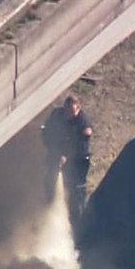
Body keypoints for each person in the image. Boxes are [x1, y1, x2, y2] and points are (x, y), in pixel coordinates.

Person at [41, 94, 93, 228]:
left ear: (78, 109)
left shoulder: (83, 123)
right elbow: (47, 132)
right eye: (67, 110)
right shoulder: (56, 115)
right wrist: (54, 150)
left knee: (76, 192)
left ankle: (76, 224)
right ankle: (48, 213)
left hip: (78, 161)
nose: (68, 114)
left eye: (72, 111)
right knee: (50, 184)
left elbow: (79, 145)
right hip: (56, 155)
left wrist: (66, 156)